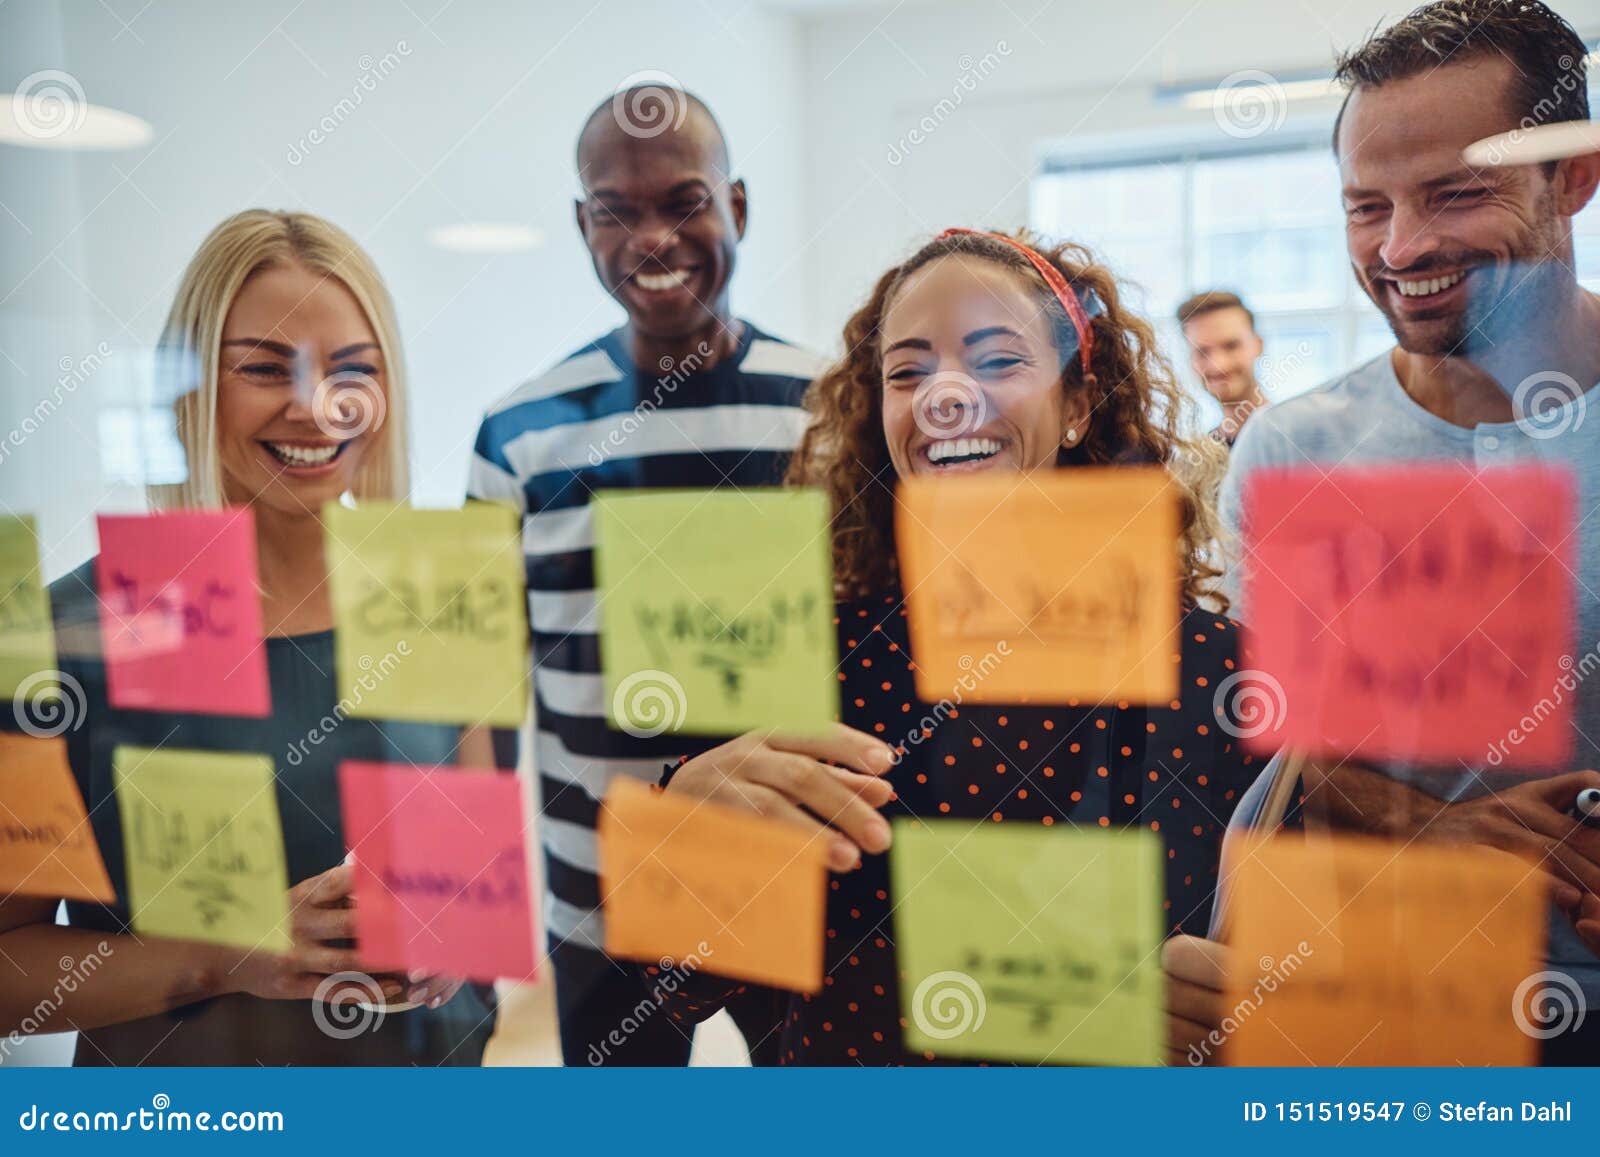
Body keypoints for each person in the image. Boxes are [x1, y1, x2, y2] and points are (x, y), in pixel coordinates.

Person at [657, 228, 1265, 1064]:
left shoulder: (1221, 675)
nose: (945, 396)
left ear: (1079, 403)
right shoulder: (805, 663)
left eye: (996, 361)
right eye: (907, 372)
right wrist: (683, 845)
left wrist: (1252, 1017)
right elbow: (684, 992)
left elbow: (1304, 997)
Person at [0, 210, 495, 1065]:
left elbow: (472, 882)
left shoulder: (438, 596)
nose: (317, 406)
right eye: (266, 369)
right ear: (191, 388)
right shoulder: (62, 635)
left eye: (353, 370)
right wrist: (234, 955)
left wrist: (455, 926)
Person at [1204, 0, 1600, 1065]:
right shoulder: (1290, 452)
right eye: (1364, 207)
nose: (1403, 247)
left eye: (1454, 194)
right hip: (1367, 1002)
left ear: (1572, 176)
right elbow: (1293, 740)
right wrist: (1440, 828)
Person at [467, 87, 821, 1066]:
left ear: (737, 208)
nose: (651, 237)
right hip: (602, 895)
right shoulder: (519, 431)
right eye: (616, 211)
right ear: (584, 224)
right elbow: (477, 683)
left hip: (800, 881)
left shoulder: (831, 408)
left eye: (684, 201)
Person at [1175, 291, 1269, 448]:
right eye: (1202, 352)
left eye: (1231, 346)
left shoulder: (1296, 439)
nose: (1218, 365)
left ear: (1258, 346)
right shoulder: (1199, 457)